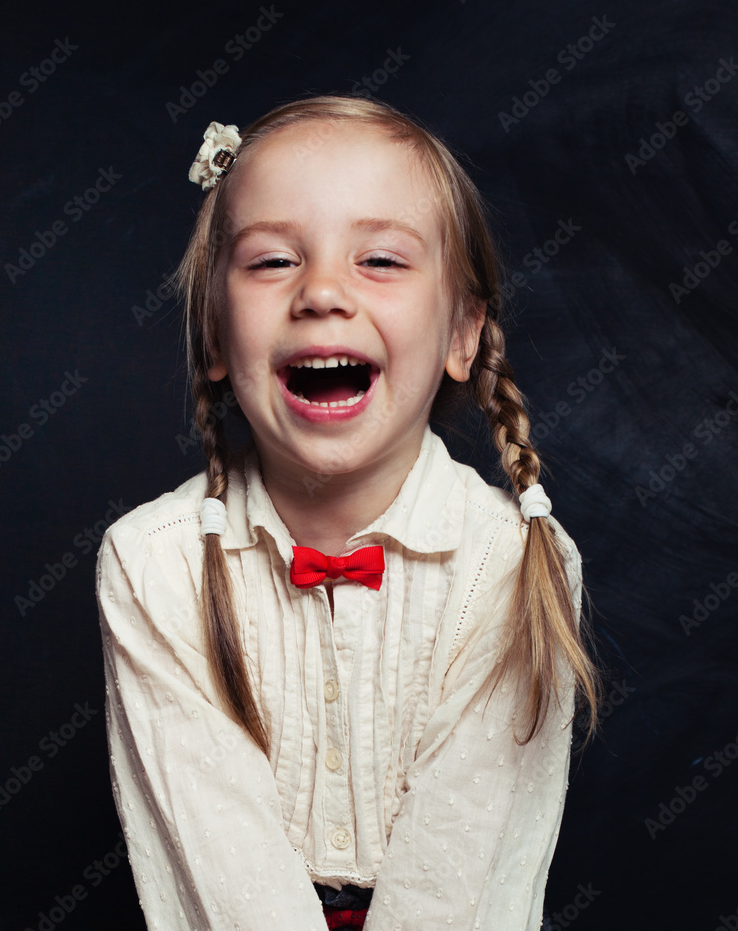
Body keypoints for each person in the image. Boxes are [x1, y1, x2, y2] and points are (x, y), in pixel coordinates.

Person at [95, 95, 599, 931]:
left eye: (382, 261)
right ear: (216, 336)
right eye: (271, 262)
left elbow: (462, 883)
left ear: (463, 334)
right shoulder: (155, 564)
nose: (322, 292)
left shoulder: (513, 565)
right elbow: (224, 883)